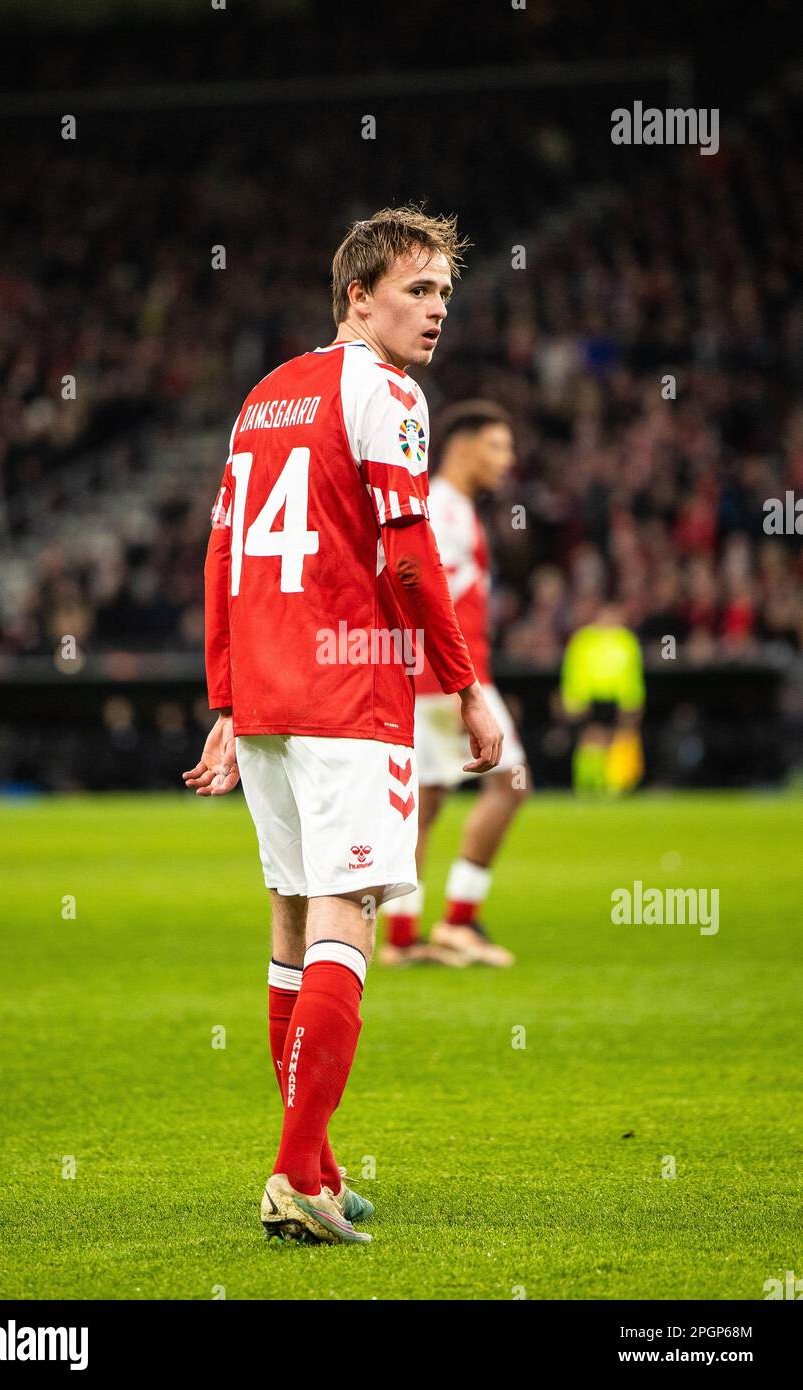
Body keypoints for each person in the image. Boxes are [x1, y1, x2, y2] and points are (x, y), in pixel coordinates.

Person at [183, 206, 504, 1246]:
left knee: (290, 929)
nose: (436, 310)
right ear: (357, 297)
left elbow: (222, 557)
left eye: (443, 294)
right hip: (349, 693)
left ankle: (315, 1162)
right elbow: (408, 554)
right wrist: (464, 684)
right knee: (346, 918)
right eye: (417, 290)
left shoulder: (264, 395)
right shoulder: (387, 392)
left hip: (270, 698)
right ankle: (293, 1177)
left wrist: (226, 700)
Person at [379, 401, 529, 968]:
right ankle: (461, 921)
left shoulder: (446, 504)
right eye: (497, 446)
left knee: (425, 800)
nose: (507, 459)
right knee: (511, 784)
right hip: (453, 677)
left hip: (426, 675)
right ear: (462, 447)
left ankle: (402, 936)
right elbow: (413, 580)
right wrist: (457, 677)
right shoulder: (442, 506)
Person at [559, 602, 645, 795]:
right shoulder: (584, 639)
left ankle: (613, 783)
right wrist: (573, 697)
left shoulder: (626, 640)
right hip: (590, 697)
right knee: (591, 738)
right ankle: (588, 782)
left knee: (618, 739)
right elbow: (573, 669)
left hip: (618, 698)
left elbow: (633, 673)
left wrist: (633, 700)